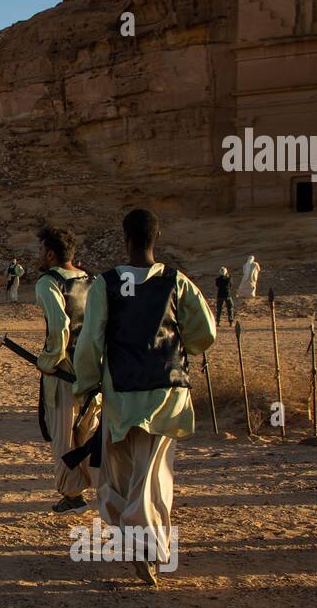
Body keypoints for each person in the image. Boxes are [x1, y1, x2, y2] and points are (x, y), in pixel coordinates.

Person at [73, 209, 216, 585]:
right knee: (153, 473)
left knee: (119, 473)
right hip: (166, 393)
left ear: (126, 238)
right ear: (156, 237)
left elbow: (91, 340)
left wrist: (86, 384)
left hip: (121, 394)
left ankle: (134, 537)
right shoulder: (176, 281)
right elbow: (204, 334)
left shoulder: (106, 284)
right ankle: (146, 544)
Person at [35, 227, 99, 515]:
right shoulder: (92, 280)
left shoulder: (48, 283)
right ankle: (109, 489)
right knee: (90, 434)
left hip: (64, 373)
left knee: (63, 433)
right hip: (93, 371)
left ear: (50, 254)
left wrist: (48, 361)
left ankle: (73, 495)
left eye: (41, 251)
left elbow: (59, 327)